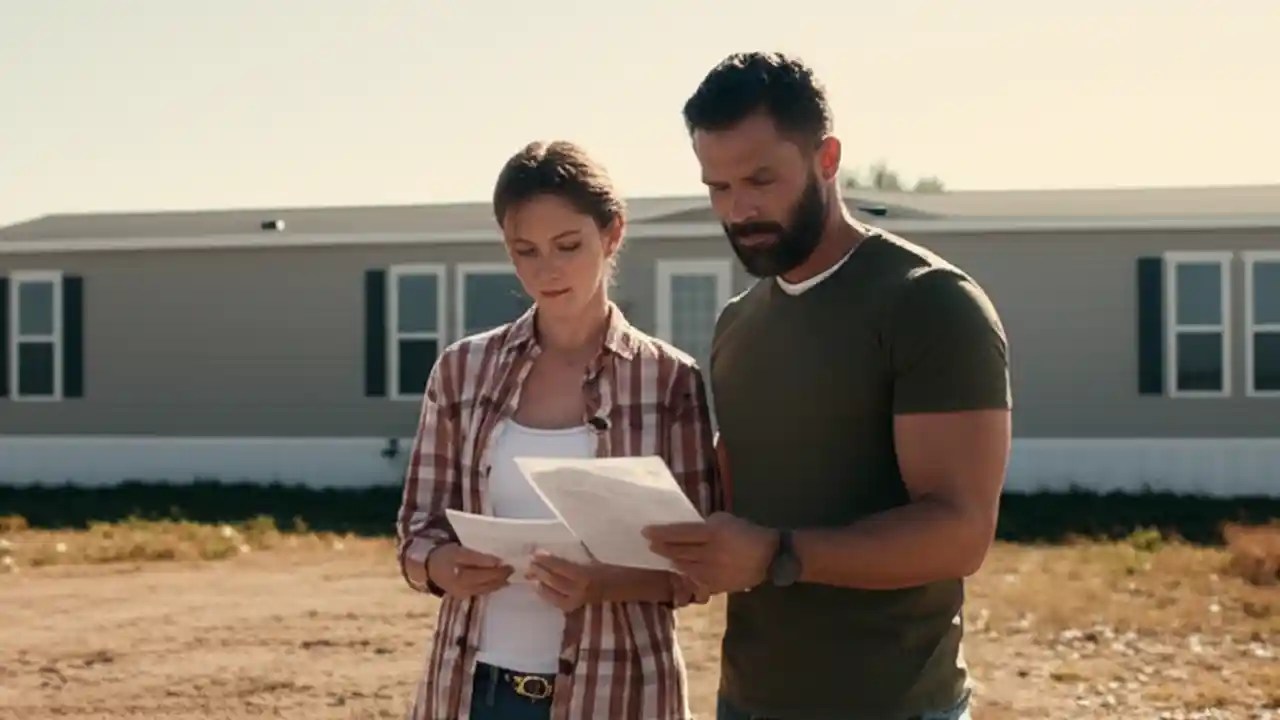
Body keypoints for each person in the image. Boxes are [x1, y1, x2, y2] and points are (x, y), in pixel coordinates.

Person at [644, 52, 1012, 720]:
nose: (740, 209)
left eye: (761, 178)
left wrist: (779, 555)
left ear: (827, 157)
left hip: (892, 706)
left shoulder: (929, 303)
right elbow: (734, 498)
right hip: (747, 701)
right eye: (717, 187)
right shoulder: (737, 325)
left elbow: (961, 532)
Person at [395, 139, 720, 720]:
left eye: (568, 246)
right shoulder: (462, 370)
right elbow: (417, 529)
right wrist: (442, 566)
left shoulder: (669, 381)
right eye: (526, 251)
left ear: (612, 234)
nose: (547, 270)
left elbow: (697, 566)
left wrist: (604, 584)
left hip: (617, 692)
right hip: (473, 687)